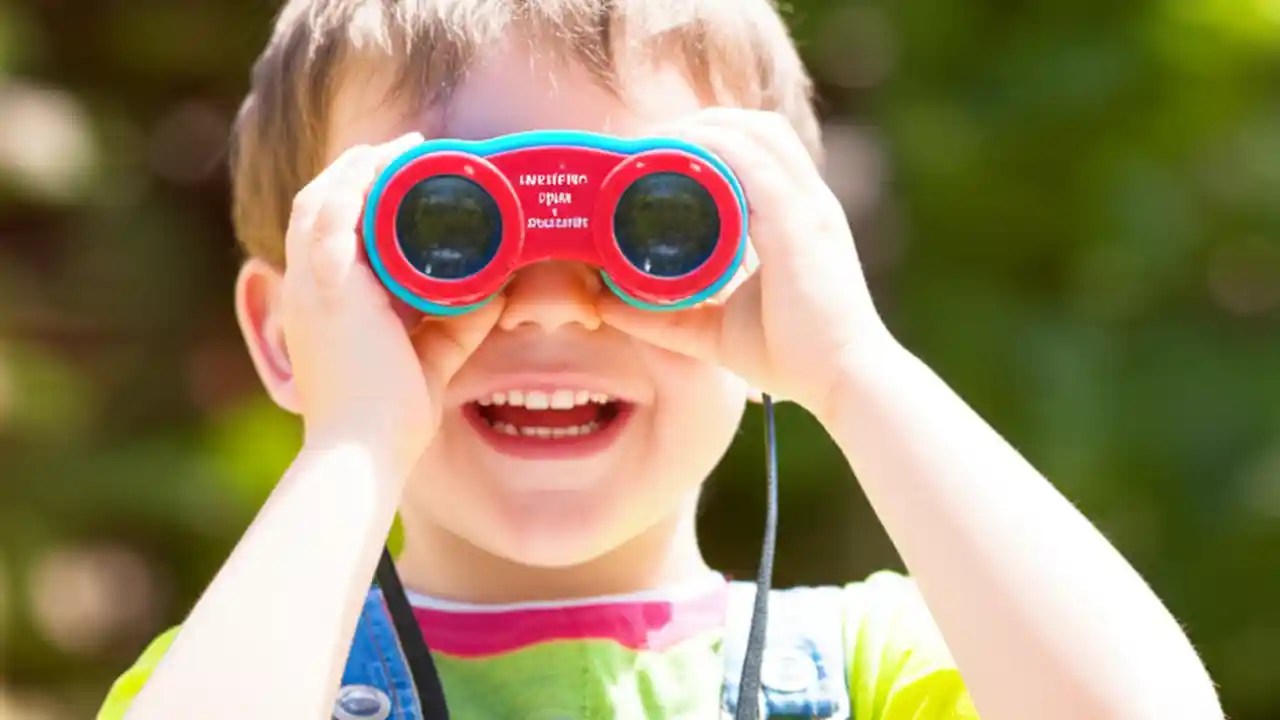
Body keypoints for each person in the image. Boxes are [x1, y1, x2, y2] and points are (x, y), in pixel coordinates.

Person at [97, 1, 1223, 718]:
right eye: (442, 228)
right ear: (288, 335)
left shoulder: (874, 665)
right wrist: (352, 442)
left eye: (654, 223)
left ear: (774, 269)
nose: (550, 308)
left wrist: (850, 367)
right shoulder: (257, 663)